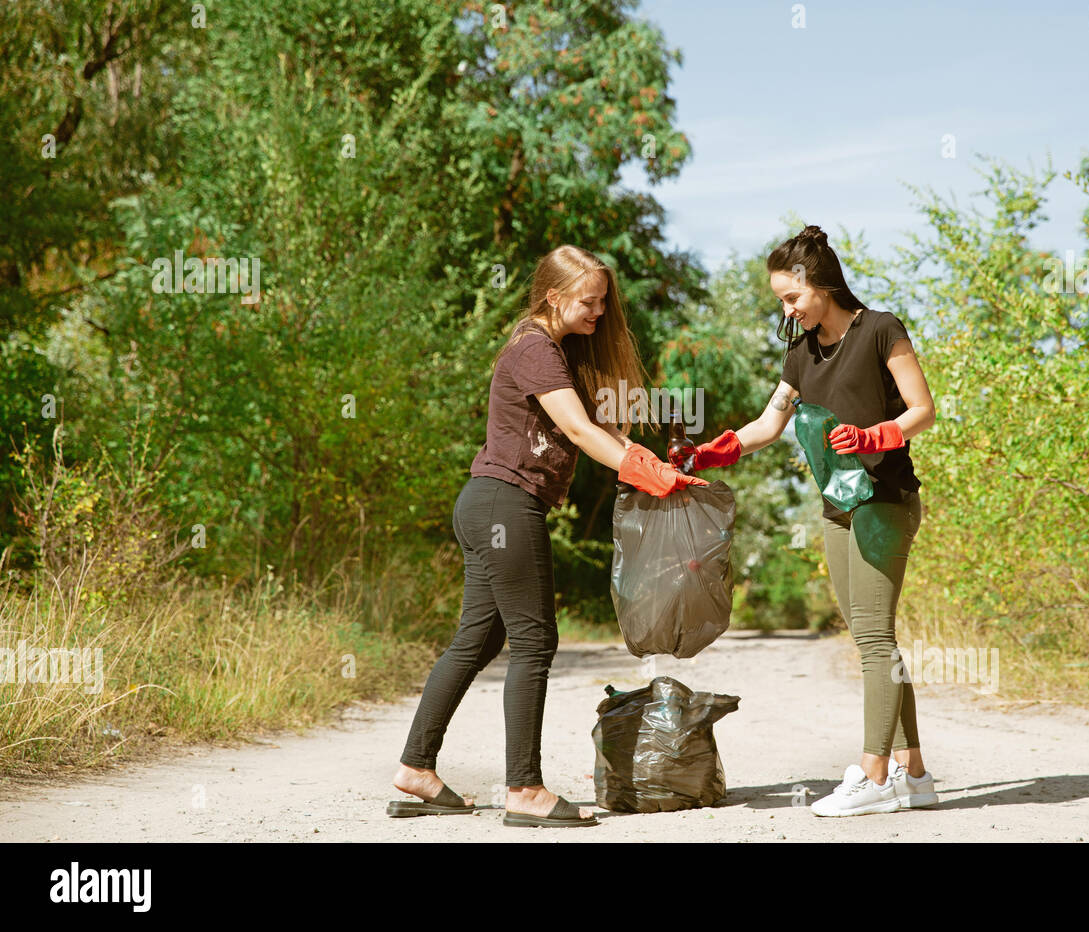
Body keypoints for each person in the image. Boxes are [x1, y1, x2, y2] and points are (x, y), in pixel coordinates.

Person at [390, 244, 706, 828]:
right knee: (535, 643)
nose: (599, 313)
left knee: (478, 641)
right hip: (504, 506)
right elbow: (581, 431)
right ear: (553, 297)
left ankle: (416, 768)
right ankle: (525, 790)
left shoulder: (553, 351)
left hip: (488, 504)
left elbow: (605, 424)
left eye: (604, 303)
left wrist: (654, 462)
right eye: (589, 302)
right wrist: (647, 474)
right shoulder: (534, 347)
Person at [670, 225, 940, 817]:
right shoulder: (801, 353)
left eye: (792, 296)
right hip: (836, 506)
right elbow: (768, 424)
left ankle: (874, 775)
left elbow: (923, 409)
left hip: (885, 500)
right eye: (781, 301)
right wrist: (711, 452)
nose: (787, 309)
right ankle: (913, 772)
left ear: (821, 284)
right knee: (876, 638)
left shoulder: (881, 330)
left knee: (872, 638)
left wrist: (875, 435)